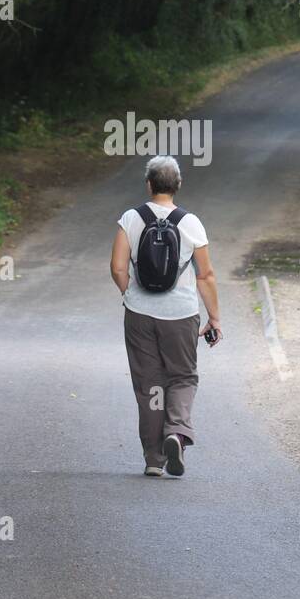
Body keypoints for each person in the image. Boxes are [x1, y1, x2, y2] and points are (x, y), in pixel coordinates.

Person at [110, 154, 222, 477]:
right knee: (183, 376)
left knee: (149, 384)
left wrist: (130, 293)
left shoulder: (131, 219)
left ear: (148, 185)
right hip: (182, 315)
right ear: (178, 185)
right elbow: (206, 275)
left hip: (139, 315)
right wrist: (214, 318)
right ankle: (176, 431)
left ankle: (154, 460)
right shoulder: (191, 223)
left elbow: (118, 267)